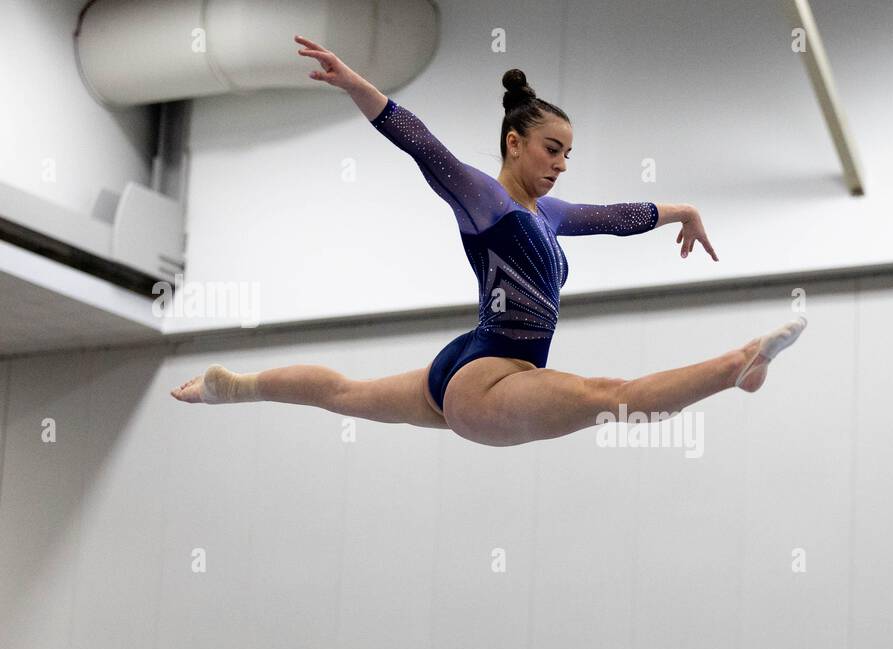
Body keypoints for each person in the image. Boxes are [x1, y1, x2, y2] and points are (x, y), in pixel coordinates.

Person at [171, 35, 806, 446]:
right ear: (514, 143)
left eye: (568, 154)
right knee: (611, 398)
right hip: (492, 378)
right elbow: (420, 143)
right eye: (552, 149)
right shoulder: (486, 199)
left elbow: (616, 216)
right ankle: (736, 367)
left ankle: (232, 388)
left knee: (345, 395)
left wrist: (682, 210)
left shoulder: (548, 214)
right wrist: (356, 84)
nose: (561, 163)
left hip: (469, 360)